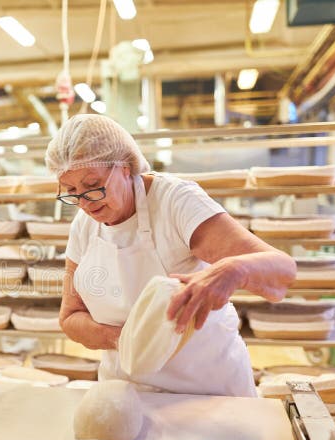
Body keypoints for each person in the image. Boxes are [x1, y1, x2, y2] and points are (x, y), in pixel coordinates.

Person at [49, 115, 296, 396]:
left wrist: (233, 269)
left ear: (125, 167)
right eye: (71, 191)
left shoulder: (176, 202)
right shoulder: (83, 227)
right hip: (128, 394)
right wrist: (127, 341)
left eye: (93, 185)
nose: (84, 203)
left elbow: (283, 271)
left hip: (205, 391)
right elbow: (70, 317)